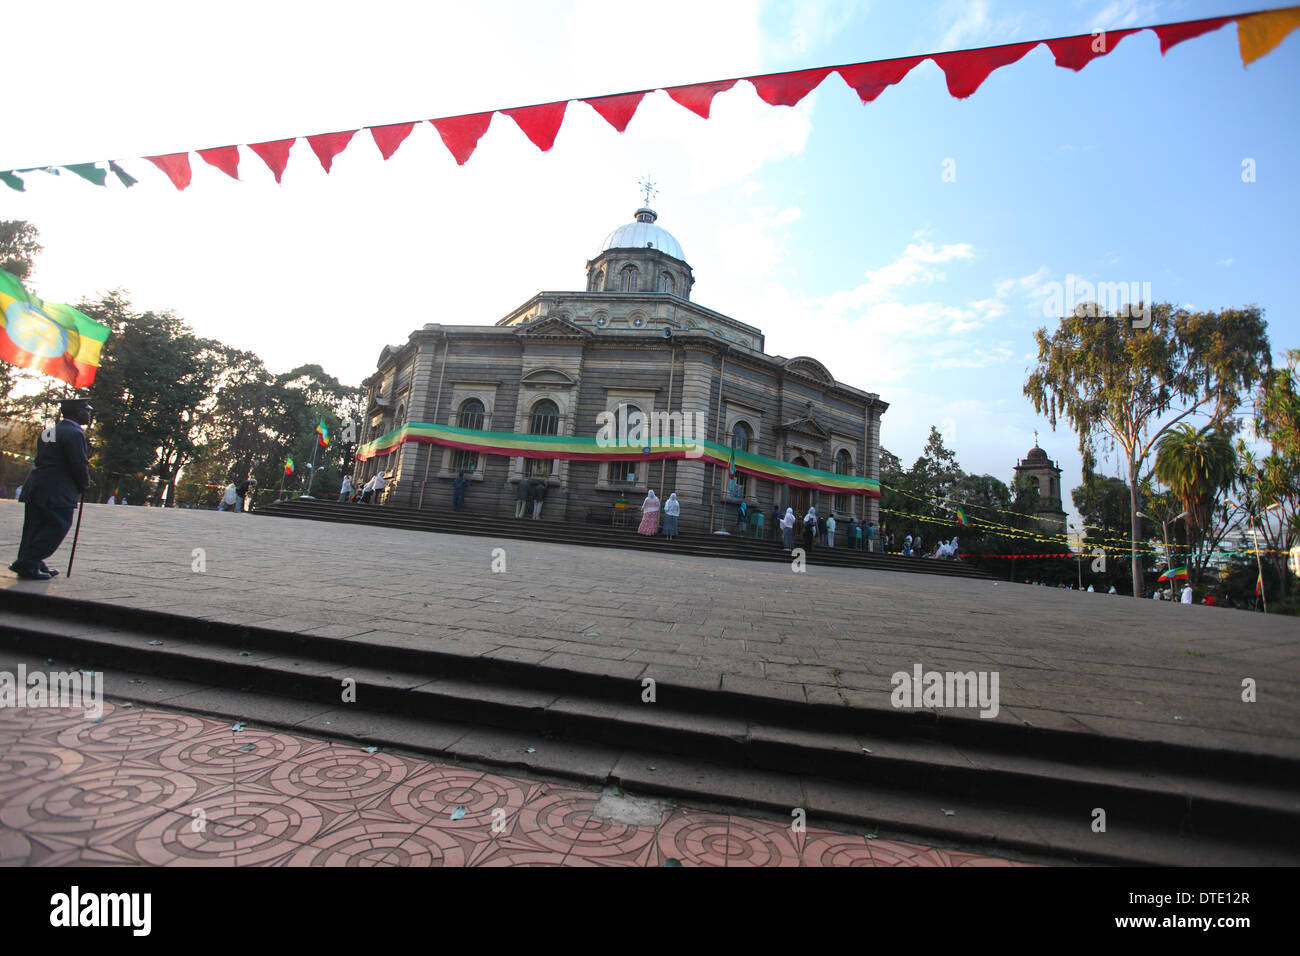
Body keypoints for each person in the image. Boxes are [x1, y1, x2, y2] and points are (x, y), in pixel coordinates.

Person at [11, 398, 93, 580]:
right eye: (86, 411)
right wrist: (84, 483)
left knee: (34, 526)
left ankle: (33, 561)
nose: (88, 415)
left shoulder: (50, 431)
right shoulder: (74, 433)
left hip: (37, 486)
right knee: (58, 525)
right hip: (57, 490)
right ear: (76, 412)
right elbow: (78, 463)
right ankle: (28, 562)